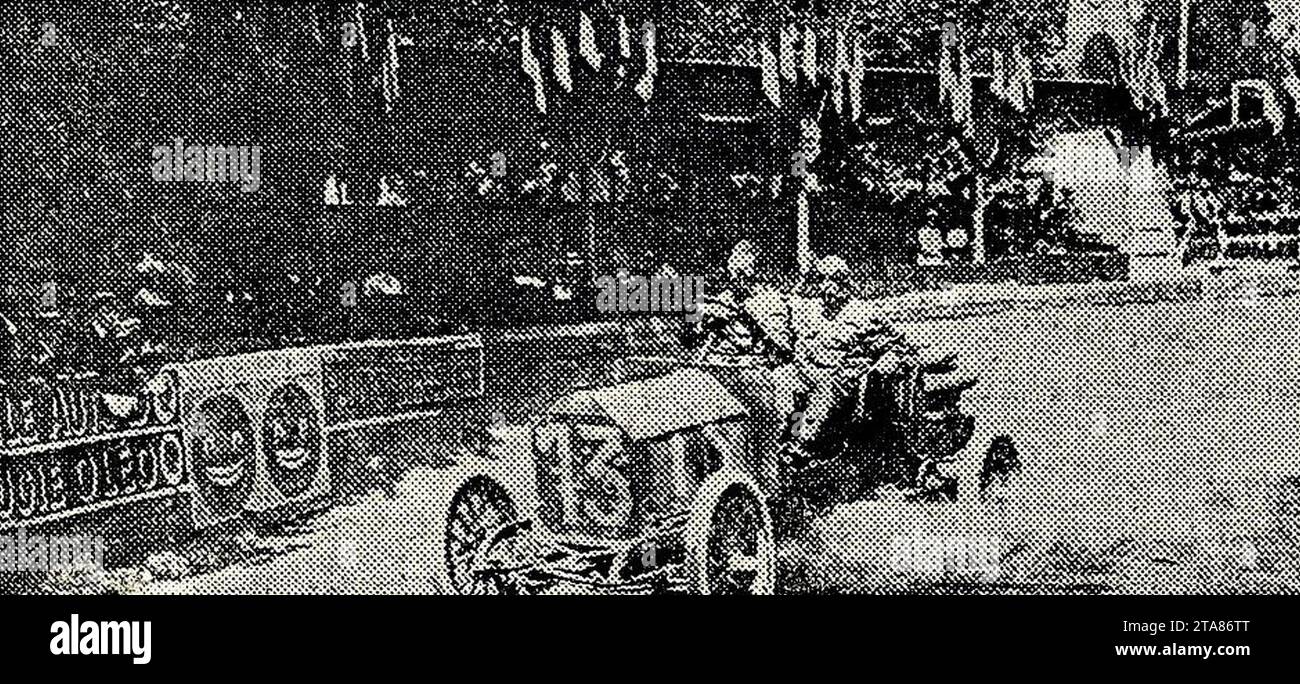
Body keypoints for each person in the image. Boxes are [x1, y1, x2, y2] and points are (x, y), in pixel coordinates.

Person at [780, 255, 911, 468]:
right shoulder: (807, 309)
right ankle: (788, 438)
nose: (827, 287)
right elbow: (773, 302)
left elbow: (898, 345)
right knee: (786, 383)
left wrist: (886, 362)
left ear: (845, 284)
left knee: (826, 389)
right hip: (806, 372)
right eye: (822, 280)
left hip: (843, 379)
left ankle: (803, 445)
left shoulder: (863, 313)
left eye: (833, 280)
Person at [694, 240, 792, 360]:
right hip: (721, 360)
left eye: (742, 275)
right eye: (735, 276)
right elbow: (695, 335)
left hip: (757, 363)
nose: (737, 281)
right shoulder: (728, 297)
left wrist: (744, 315)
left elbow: (781, 346)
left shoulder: (770, 301)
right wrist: (707, 315)